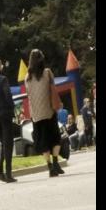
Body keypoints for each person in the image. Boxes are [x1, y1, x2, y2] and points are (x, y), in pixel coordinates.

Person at [24, 48, 65, 176]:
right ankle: (56, 162)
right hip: (49, 112)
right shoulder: (47, 73)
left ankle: (50, 167)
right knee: (56, 138)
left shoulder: (27, 77)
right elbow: (53, 89)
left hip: (36, 115)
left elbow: (29, 94)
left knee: (43, 142)